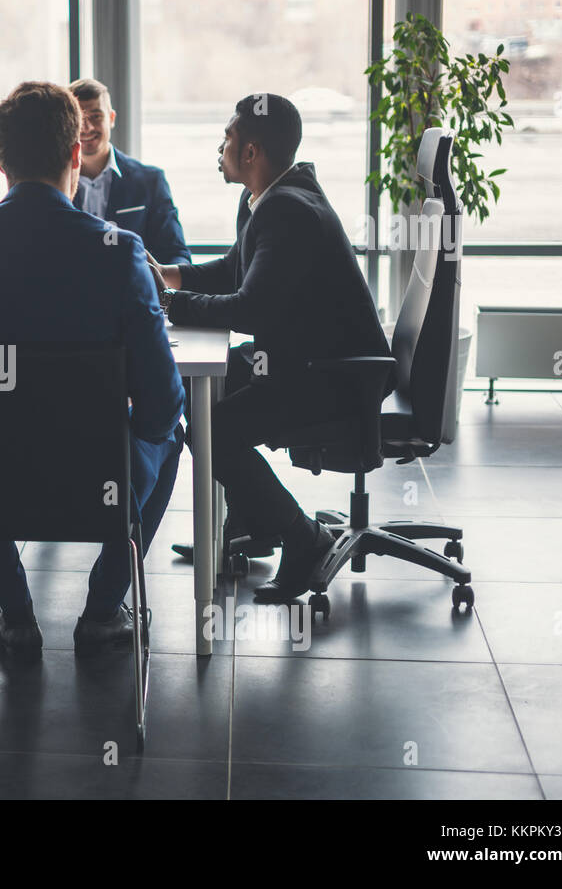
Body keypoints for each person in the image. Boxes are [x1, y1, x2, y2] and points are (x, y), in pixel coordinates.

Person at [0, 81, 185, 660]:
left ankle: (16, 614)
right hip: (96, 483)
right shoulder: (120, 250)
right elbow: (163, 404)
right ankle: (102, 610)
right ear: (73, 155)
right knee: (173, 435)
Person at [150, 93, 392, 602]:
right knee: (216, 388)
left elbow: (250, 309)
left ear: (253, 151)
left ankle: (302, 535)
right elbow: (236, 271)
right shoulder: (268, 196)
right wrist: (168, 276)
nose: (221, 148)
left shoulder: (287, 209)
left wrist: (172, 303)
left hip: (333, 374)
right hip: (301, 356)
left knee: (213, 432)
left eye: (228, 138)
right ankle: (248, 524)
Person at [68, 78, 190, 265]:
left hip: (134, 291)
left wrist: (160, 287)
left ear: (111, 118)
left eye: (95, 116)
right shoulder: (54, 183)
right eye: (79, 119)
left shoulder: (150, 181)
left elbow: (176, 253)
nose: (87, 127)